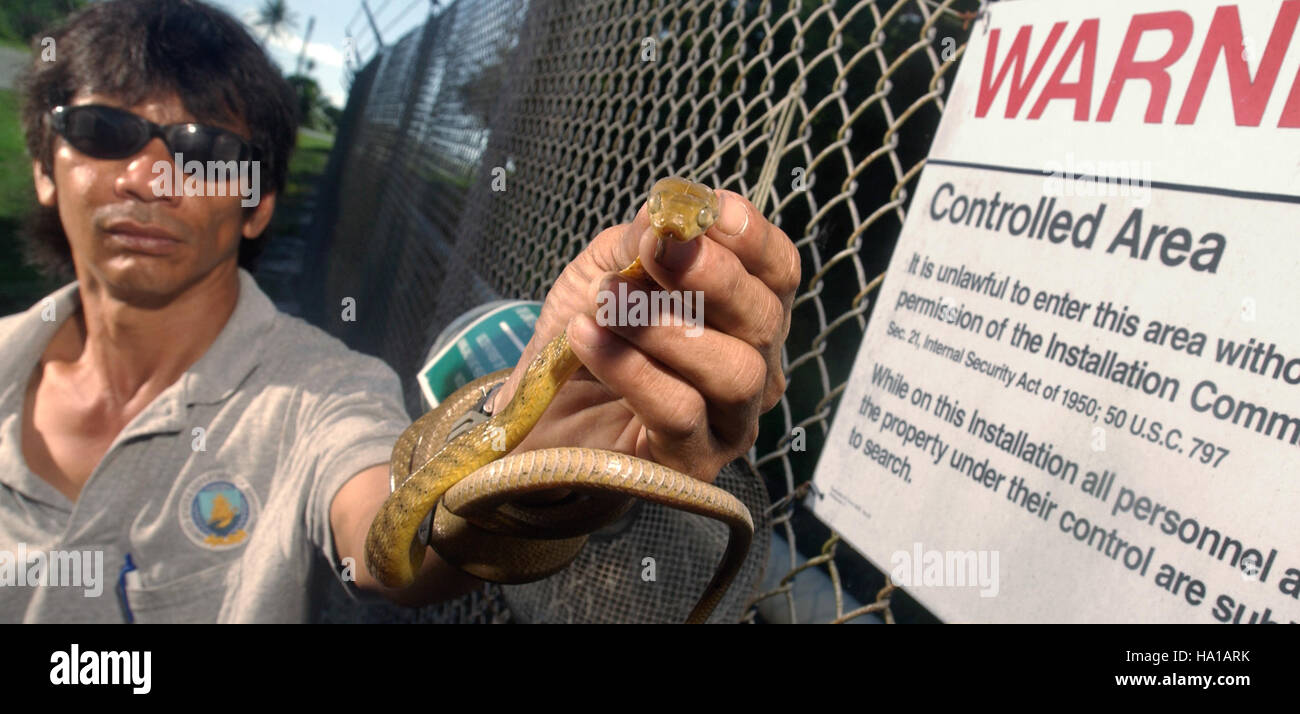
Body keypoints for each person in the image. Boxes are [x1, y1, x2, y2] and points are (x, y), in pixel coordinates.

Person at [0, 0, 799, 623]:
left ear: (257, 203)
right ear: (44, 166)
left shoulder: (324, 391)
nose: (147, 177)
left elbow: (386, 547)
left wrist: (532, 475)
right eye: (102, 131)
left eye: (203, 151)